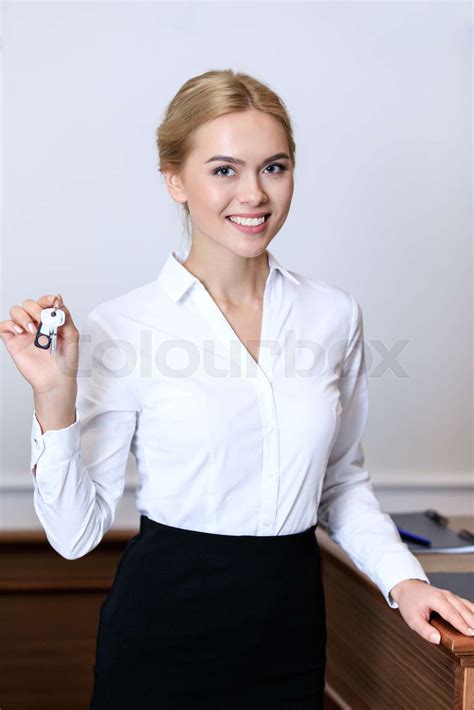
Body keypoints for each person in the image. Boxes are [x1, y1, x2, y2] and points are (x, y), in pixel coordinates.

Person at [1, 69, 473, 709]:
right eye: (224, 169)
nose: (253, 193)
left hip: (292, 632)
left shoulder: (333, 315)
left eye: (273, 167)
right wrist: (54, 397)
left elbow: (339, 482)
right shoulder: (126, 325)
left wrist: (407, 583)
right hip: (161, 639)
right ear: (175, 179)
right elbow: (75, 535)